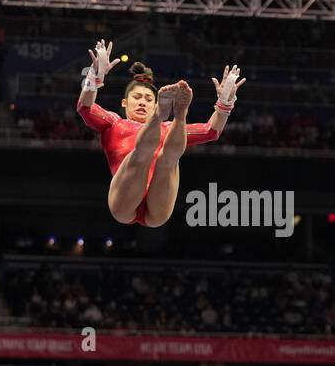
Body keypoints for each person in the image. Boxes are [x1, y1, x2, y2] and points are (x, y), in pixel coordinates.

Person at [77, 38, 242, 227]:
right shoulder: (115, 123)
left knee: (169, 156)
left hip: (159, 205)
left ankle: (180, 115)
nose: (142, 102)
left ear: (156, 103)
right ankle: (159, 117)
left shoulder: (169, 131)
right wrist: (94, 76)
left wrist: (225, 102)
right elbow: (85, 108)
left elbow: (212, 130)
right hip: (124, 201)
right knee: (142, 152)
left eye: (148, 99)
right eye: (137, 97)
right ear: (124, 103)